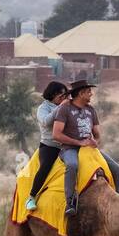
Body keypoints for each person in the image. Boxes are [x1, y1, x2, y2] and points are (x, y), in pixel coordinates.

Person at [51, 79, 119, 217]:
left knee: (118, 171)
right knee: (72, 165)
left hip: (89, 150)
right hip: (70, 149)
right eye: (89, 91)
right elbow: (56, 134)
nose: (91, 94)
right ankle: (70, 202)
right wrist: (78, 143)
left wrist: (95, 141)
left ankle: (118, 202)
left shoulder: (91, 110)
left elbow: (97, 134)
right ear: (80, 93)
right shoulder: (65, 109)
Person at [24, 81, 68, 212]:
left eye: (65, 96)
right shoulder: (43, 108)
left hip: (67, 145)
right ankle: (31, 197)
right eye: (62, 96)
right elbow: (45, 121)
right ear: (53, 95)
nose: (64, 99)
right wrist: (61, 108)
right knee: (45, 167)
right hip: (50, 146)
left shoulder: (65, 106)